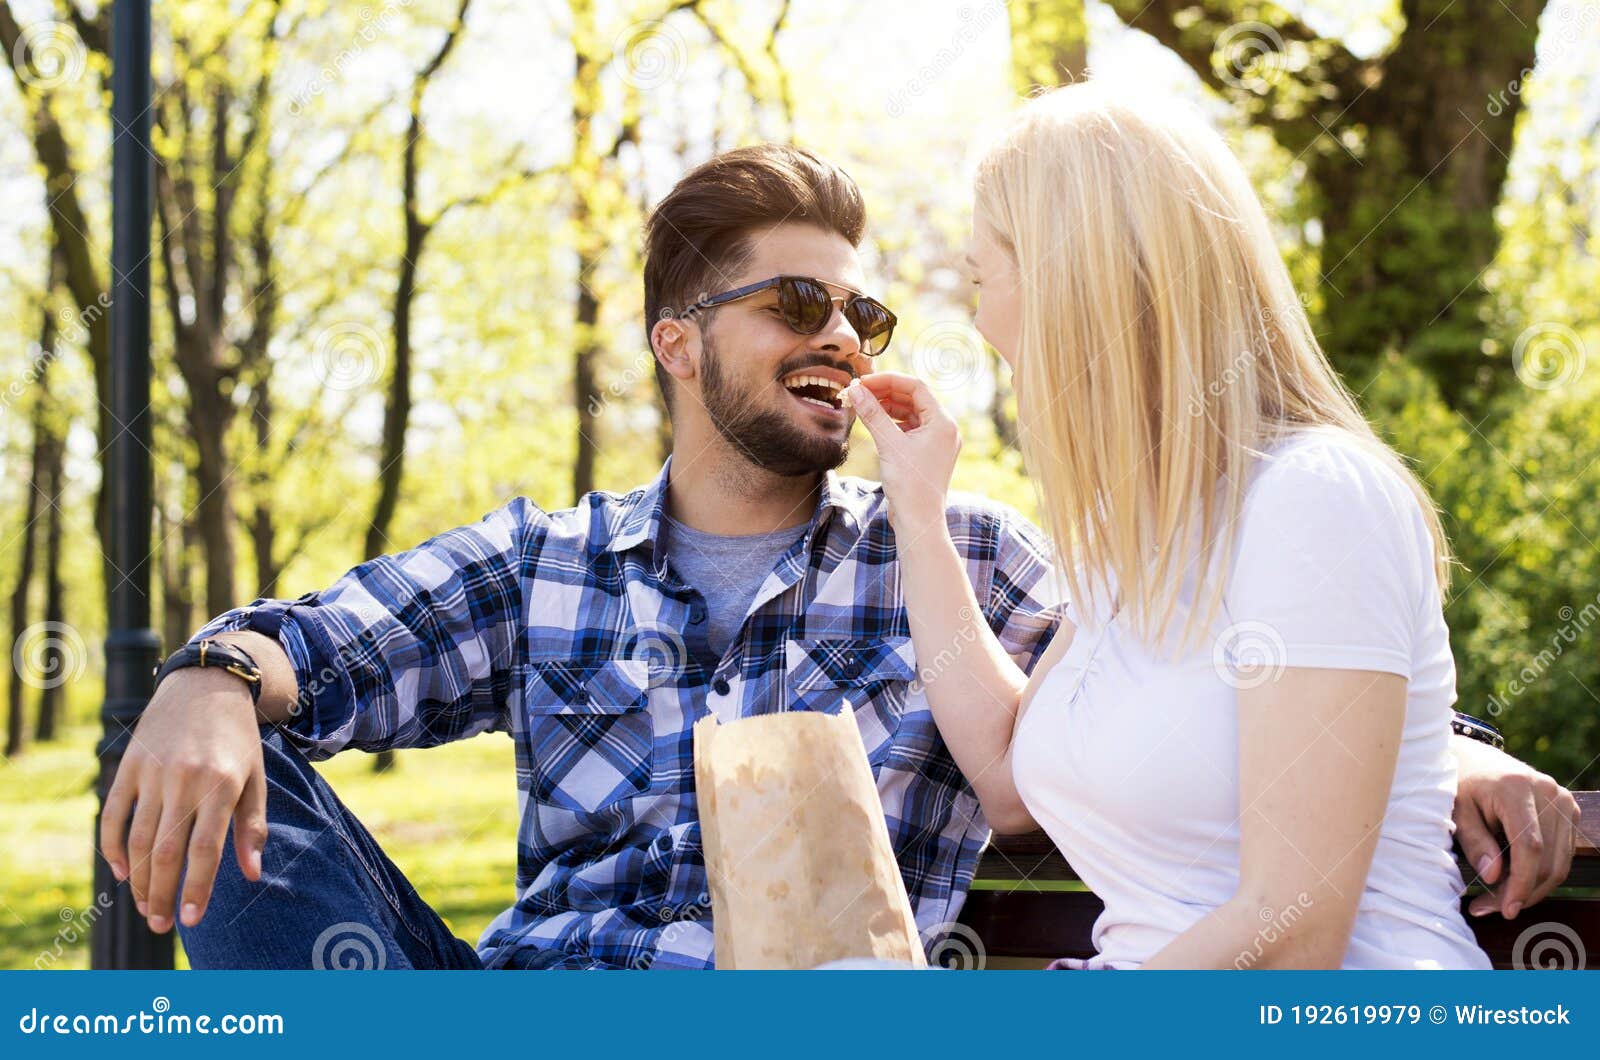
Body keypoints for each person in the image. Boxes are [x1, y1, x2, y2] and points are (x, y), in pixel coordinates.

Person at [101, 143, 1577, 970]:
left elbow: (1178, 692)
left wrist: (1442, 752)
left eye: (862, 316)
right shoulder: (545, 565)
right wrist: (214, 672)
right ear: (679, 347)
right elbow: (336, 642)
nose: (841, 337)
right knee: (239, 765)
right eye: (795, 298)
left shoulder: (970, 560)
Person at [847, 83, 1577, 968]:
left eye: (981, 276)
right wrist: (918, 511)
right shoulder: (1135, 534)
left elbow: (1294, 931)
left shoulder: (1315, 498)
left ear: (1076, 284)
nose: (980, 316)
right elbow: (1007, 783)